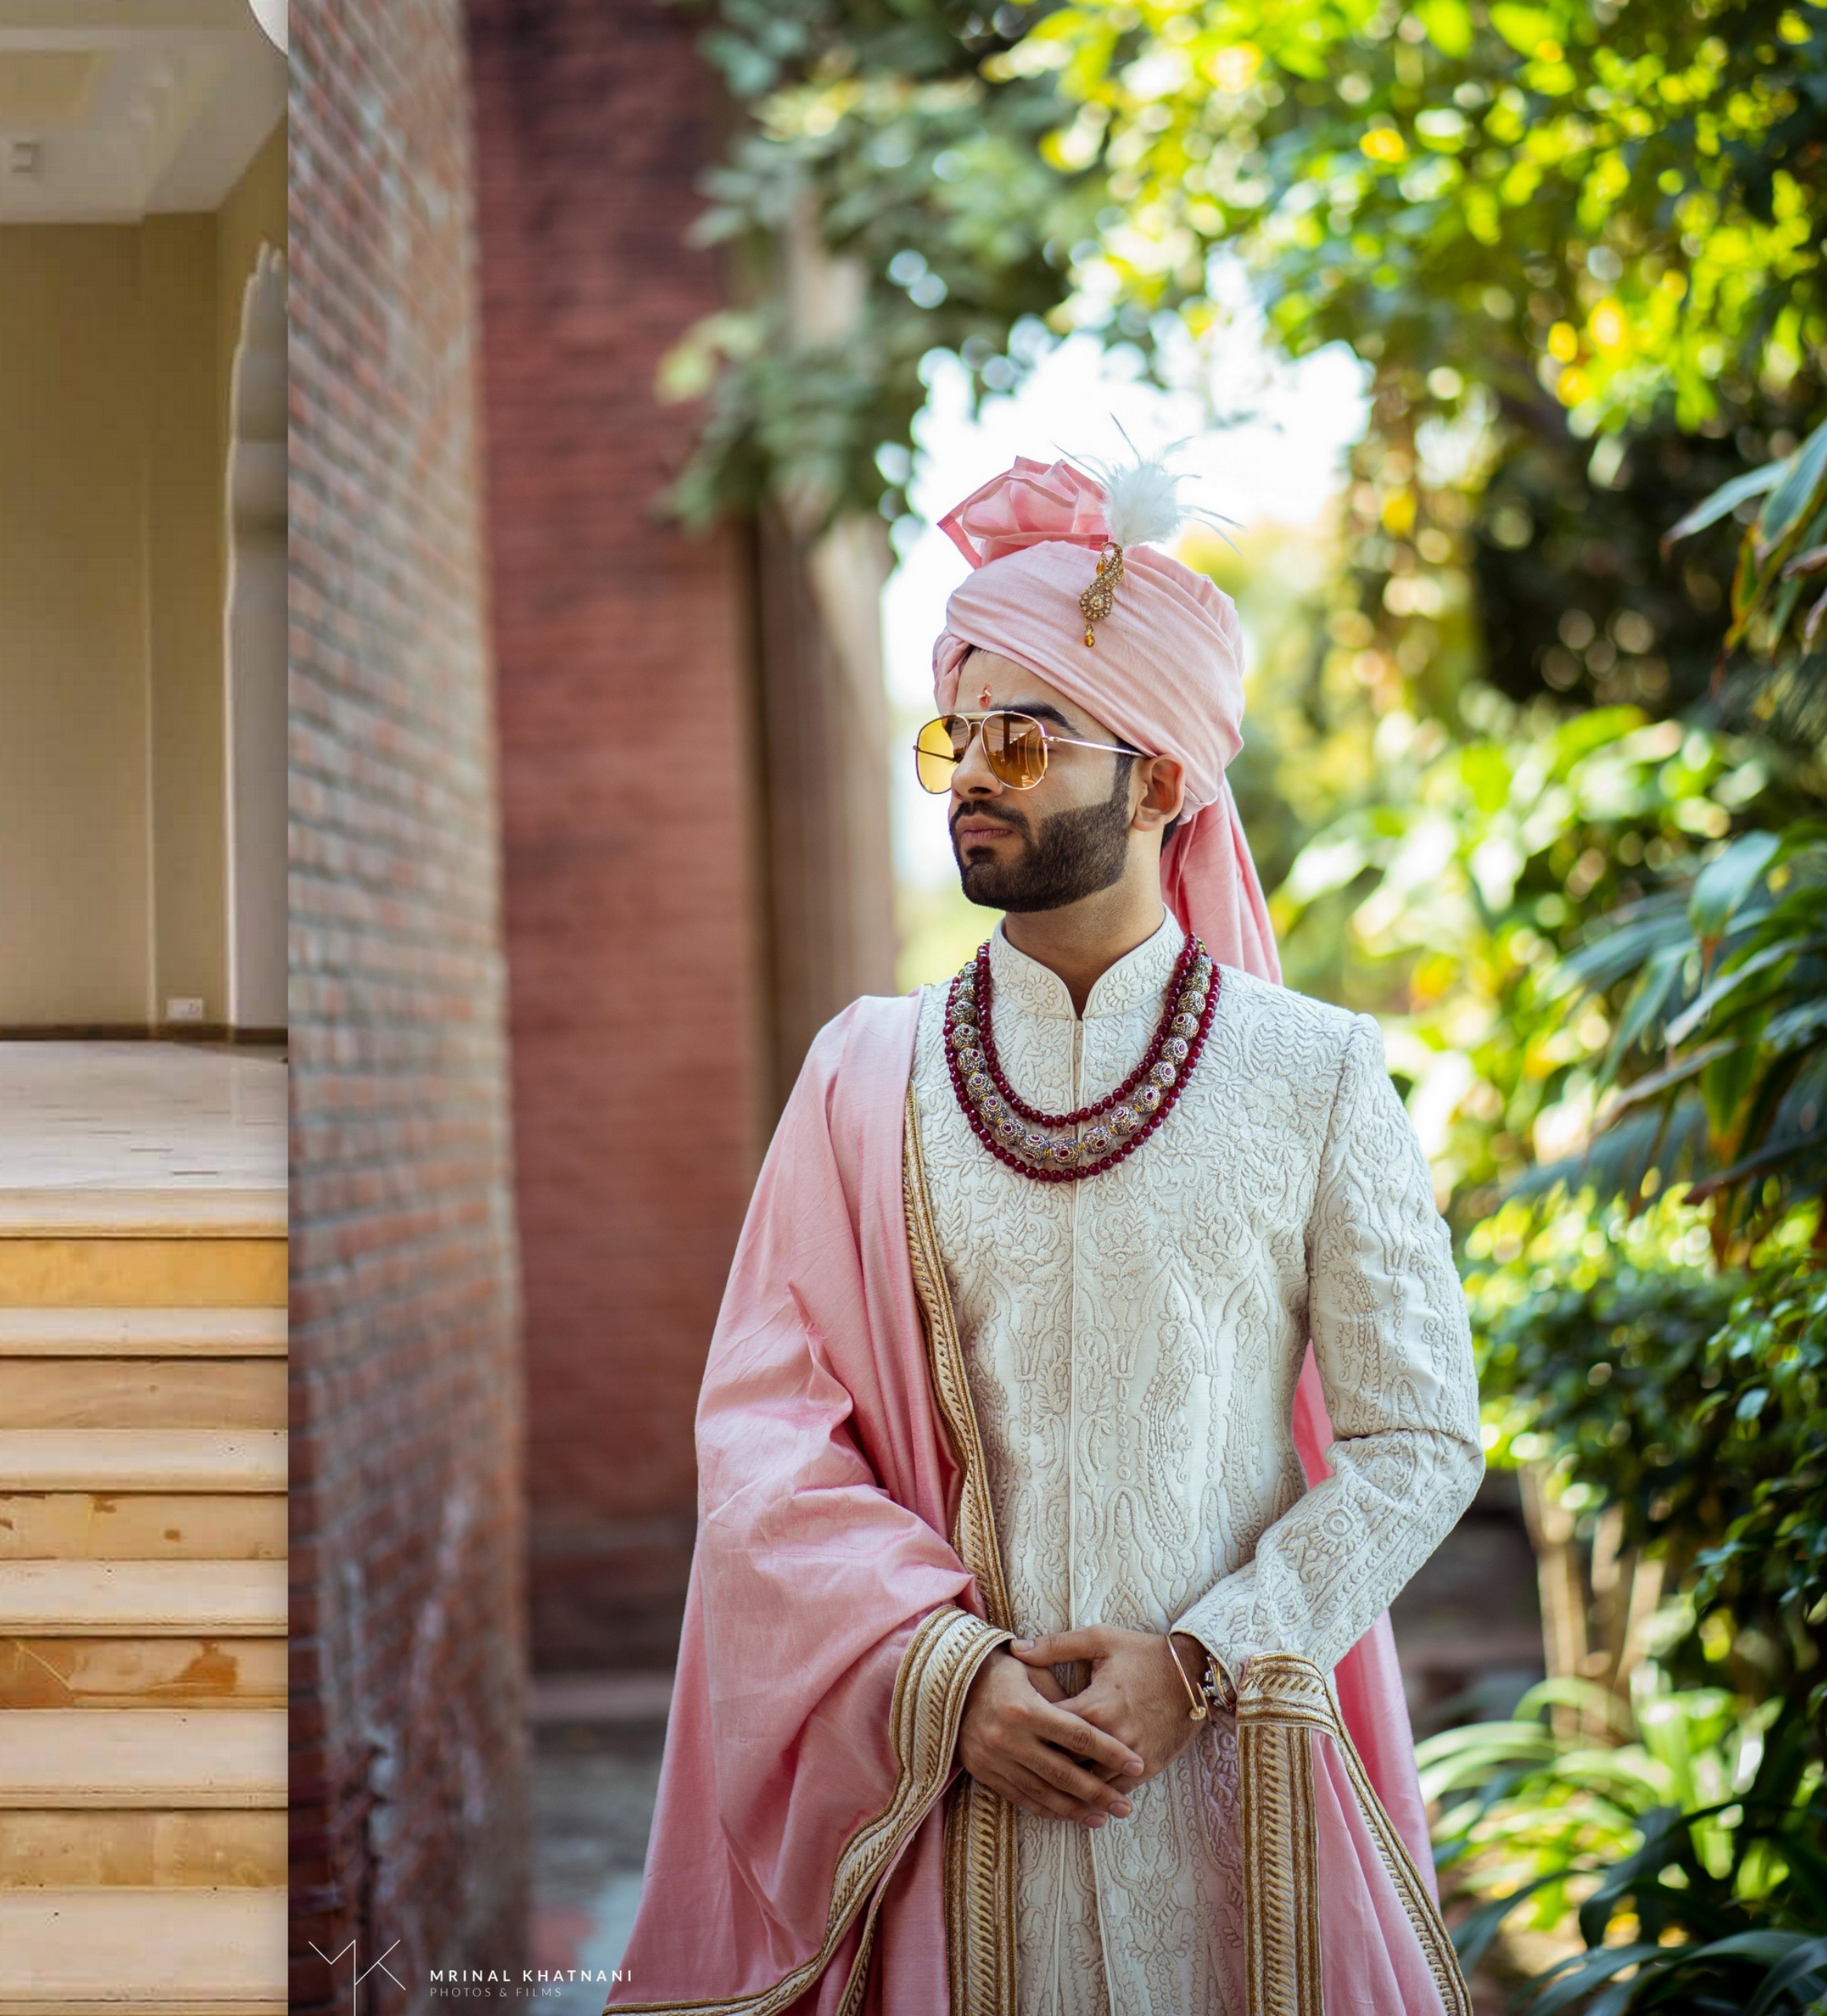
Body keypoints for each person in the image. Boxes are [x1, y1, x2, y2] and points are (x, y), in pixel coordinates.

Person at [609, 449, 1480, 2012]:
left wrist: (1206, 1655)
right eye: (958, 731)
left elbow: (1419, 1435)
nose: (970, 774)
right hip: (956, 1795)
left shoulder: (1316, 1069)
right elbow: (766, 1441)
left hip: (1236, 1801)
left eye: (1025, 735)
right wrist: (948, 1677)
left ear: (1159, 777)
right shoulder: (861, 1073)